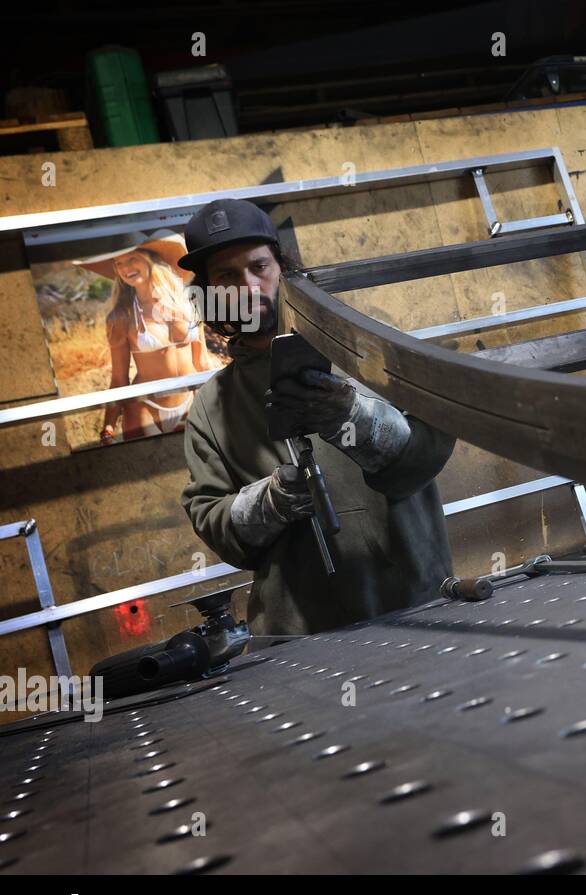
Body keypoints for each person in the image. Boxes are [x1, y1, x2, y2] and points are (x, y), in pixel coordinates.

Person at [178, 198, 457, 635]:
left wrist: (359, 421)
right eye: (226, 276)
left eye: (258, 267)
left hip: (416, 604)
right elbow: (216, 525)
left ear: (282, 268)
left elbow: (429, 452)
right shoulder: (211, 408)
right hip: (300, 635)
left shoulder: (367, 349)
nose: (247, 286)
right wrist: (266, 503)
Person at [72, 231, 216, 441]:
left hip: (191, 400)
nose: (125, 268)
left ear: (152, 261)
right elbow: (119, 378)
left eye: (132, 259)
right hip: (144, 407)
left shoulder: (189, 304)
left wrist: (226, 399)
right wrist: (108, 426)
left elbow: (202, 361)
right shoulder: (121, 317)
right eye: (118, 263)